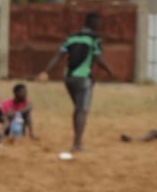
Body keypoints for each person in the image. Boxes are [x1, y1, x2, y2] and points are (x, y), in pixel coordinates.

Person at [41, 12, 116, 152]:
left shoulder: (72, 37)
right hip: (83, 78)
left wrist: (46, 71)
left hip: (68, 78)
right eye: (99, 23)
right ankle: (77, 144)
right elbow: (98, 59)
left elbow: (58, 56)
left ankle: (77, 140)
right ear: (94, 23)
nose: (100, 26)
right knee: (82, 110)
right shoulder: (95, 38)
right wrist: (110, 71)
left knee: (78, 109)